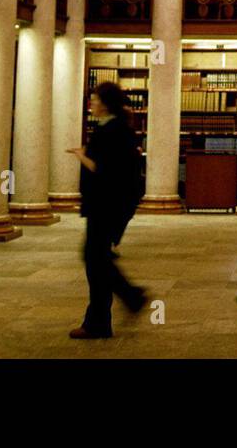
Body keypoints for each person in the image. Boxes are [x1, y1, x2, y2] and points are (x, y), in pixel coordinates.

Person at [67, 82, 147, 338]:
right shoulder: (114, 128)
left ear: (105, 103)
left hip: (106, 205)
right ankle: (117, 307)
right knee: (96, 259)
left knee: (94, 259)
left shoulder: (112, 131)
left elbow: (104, 170)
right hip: (107, 204)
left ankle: (119, 305)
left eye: (95, 99)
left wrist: (81, 156)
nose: (91, 104)